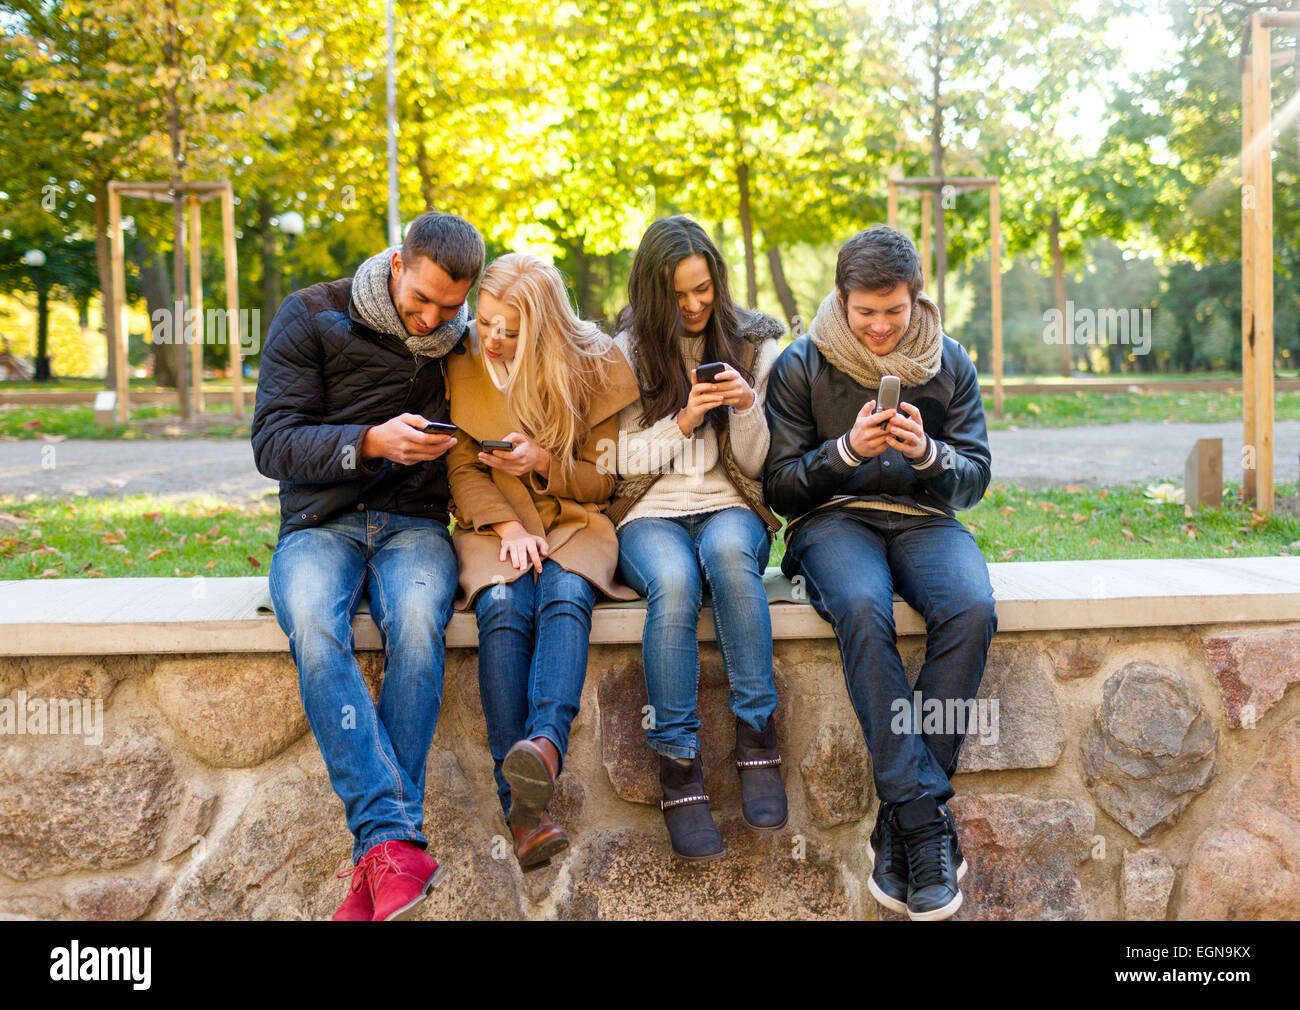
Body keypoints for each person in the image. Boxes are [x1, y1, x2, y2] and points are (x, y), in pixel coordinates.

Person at [253, 211, 485, 921]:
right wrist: (371, 442)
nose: (431, 319)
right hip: (319, 525)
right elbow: (273, 444)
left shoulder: (464, 343)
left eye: (450, 307)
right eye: (421, 299)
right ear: (394, 264)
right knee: (316, 629)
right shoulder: (311, 313)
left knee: (417, 621)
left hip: (416, 526)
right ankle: (394, 839)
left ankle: (382, 859)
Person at [763, 225, 997, 921]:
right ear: (841, 299)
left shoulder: (948, 361)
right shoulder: (801, 364)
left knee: (971, 607)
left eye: (893, 310)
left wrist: (929, 456)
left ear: (915, 299)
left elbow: (975, 478)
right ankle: (924, 826)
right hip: (833, 520)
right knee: (862, 606)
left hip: (925, 518)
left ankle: (900, 823)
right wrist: (840, 453)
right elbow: (779, 487)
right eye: (865, 312)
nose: (880, 327)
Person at [444, 252, 640, 871]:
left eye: (511, 328)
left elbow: (605, 480)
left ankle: (545, 748)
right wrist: (504, 524)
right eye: (487, 321)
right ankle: (524, 812)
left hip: (571, 520)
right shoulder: (464, 358)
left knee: (565, 595)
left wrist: (542, 464)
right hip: (491, 521)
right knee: (501, 606)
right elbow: (458, 467)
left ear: (545, 325)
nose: (494, 339)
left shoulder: (596, 363)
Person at [606, 216, 787, 861]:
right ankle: (678, 765)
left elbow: (760, 465)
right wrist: (682, 420)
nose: (693, 306)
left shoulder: (758, 346)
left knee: (730, 560)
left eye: (703, 290)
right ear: (654, 295)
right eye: (679, 296)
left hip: (730, 503)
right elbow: (617, 459)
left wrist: (743, 407)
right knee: (676, 584)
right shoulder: (624, 353)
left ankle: (757, 736)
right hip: (648, 512)